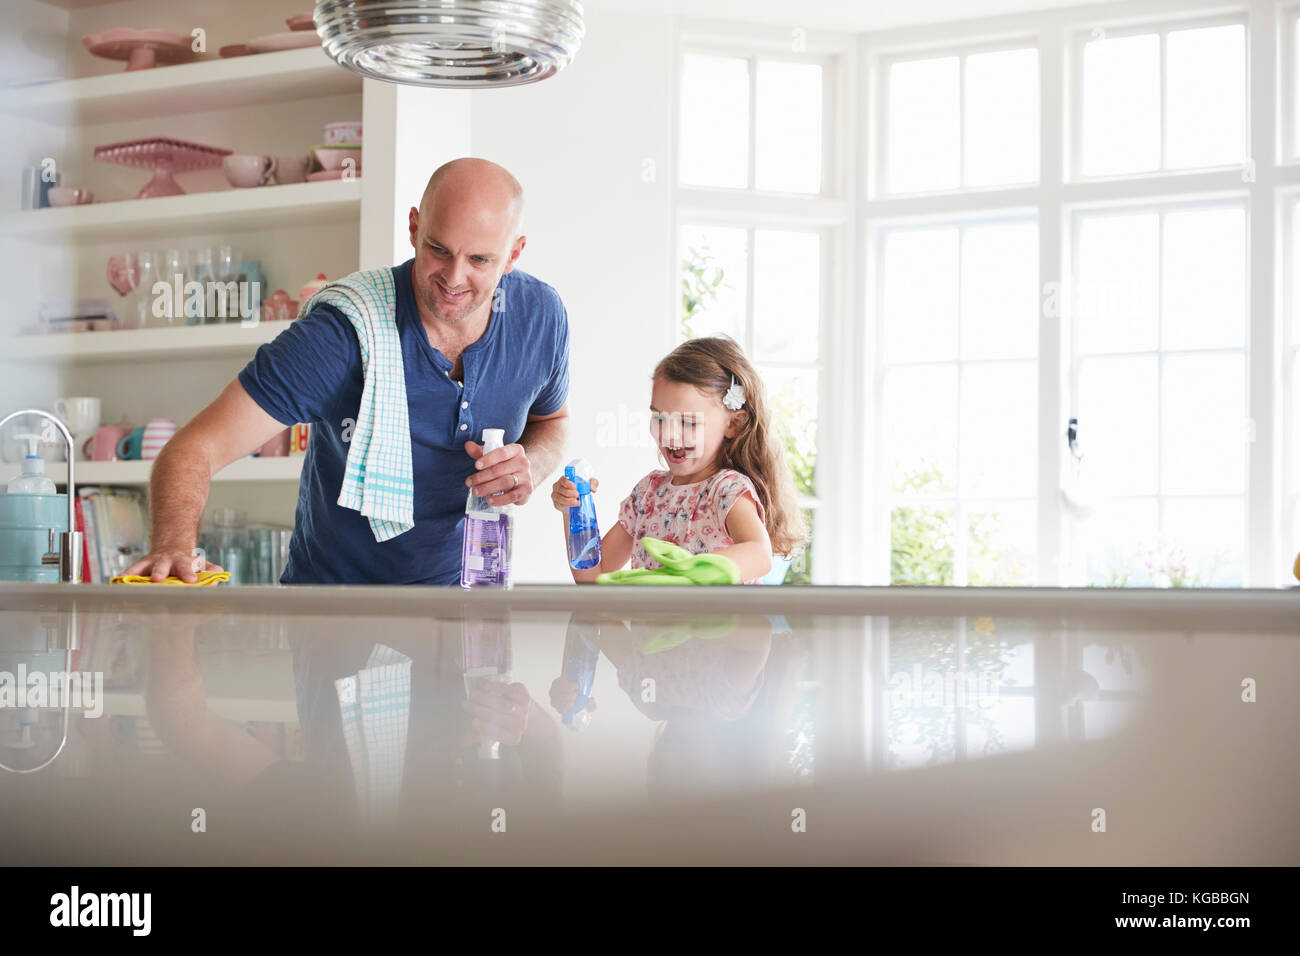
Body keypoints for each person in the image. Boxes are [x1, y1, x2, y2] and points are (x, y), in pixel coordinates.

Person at [127, 158, 570, 585]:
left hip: (466, 598)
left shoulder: (540, 317)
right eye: (439, 250)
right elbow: (193, 449)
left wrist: (532, 462)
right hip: (335, 607)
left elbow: (552, 421)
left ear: (514, 254)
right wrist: (174, 547)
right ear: (414, 228)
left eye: (479, 260)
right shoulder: (343, 332)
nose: (454, 277)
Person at [550, 336, 806, 585]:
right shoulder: (647, 494)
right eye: (659, 417)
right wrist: (573, 509)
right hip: (654, 629)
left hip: (723, 629)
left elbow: (759, 556)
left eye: (688, 422)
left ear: (733, 424)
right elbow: (594, 577)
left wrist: (688, 574)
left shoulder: (725, 490)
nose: (669, 434)